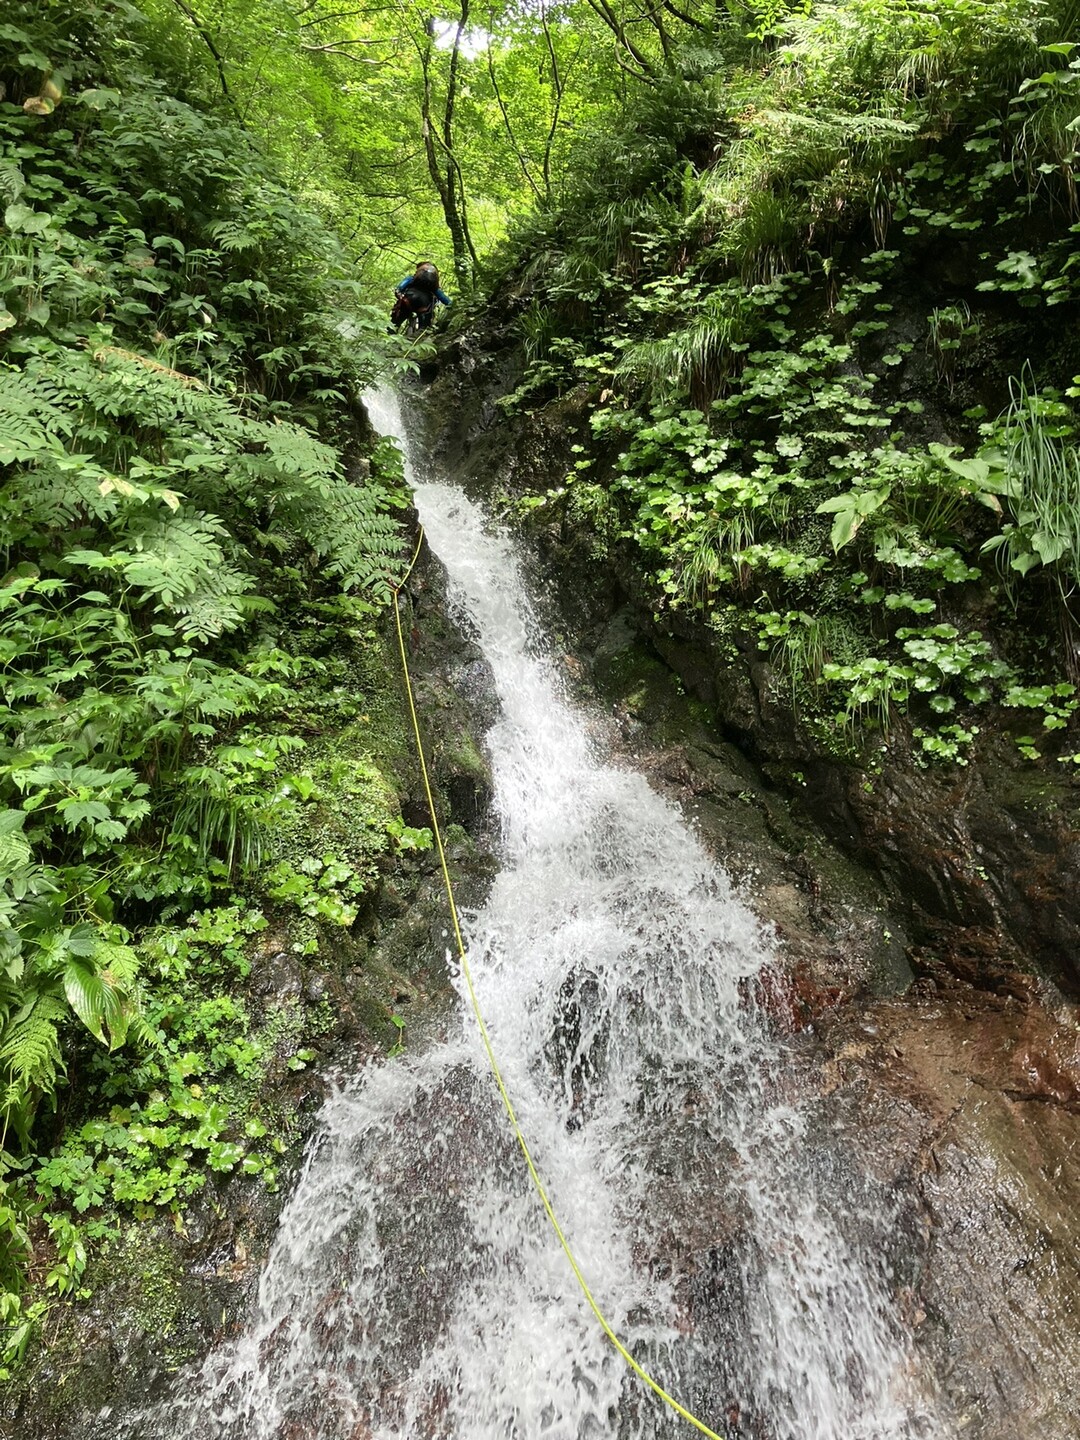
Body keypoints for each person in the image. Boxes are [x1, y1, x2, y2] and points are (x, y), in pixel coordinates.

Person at [389, 261, 452, 332]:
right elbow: (445, 300)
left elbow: (399, 288)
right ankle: (417, 339)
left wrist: (399, 295)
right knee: (423, 329)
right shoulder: (434, 287)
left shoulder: (411, 279)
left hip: (408, 300)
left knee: (394, 324)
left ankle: (388, 337)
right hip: (424, 305)